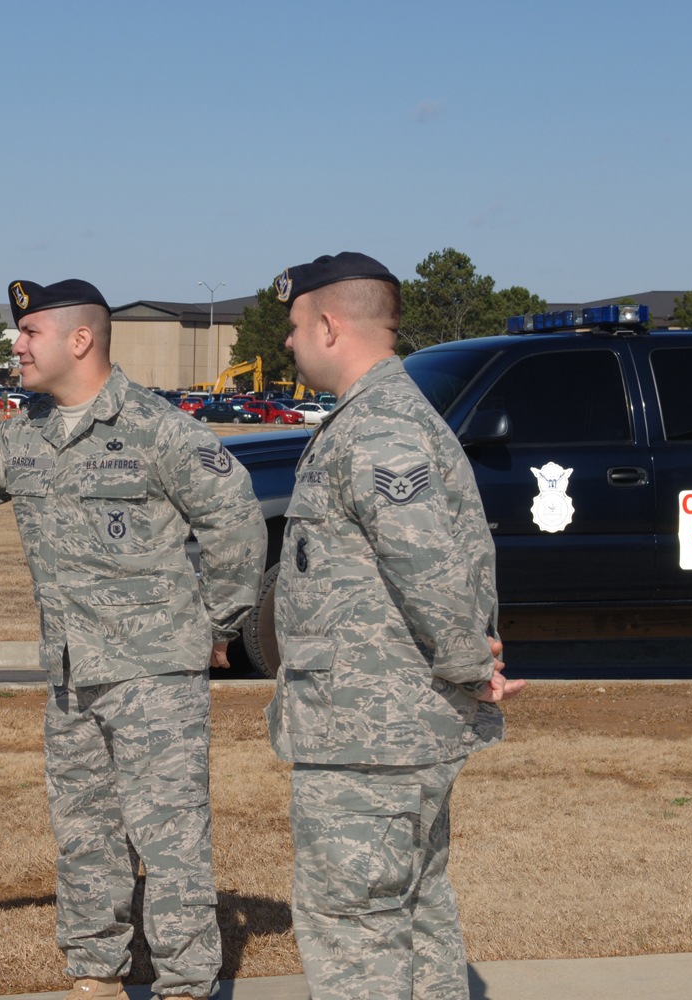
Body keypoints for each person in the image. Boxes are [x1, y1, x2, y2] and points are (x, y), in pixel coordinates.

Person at [0, 279, 265, 1000]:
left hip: (152, 674)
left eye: (30, 332)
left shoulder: (156, 427)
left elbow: (235, 517)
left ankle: (187, 985)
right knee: (85, 833)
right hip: (71, 672)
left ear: (80, 340)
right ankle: (96, 974)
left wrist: (218, 625)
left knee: (170, 843)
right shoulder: (26, 432)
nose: (16, 345)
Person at [264, 252, 527, 1000]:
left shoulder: (378, 426)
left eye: (292, 327)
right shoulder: (384, 416)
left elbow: (428, 567)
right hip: (387, 727)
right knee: (413, 913)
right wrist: (469, 661)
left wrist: (471, 662)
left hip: (371, 732)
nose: (288, 343)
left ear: (327, 323)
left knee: (355, 925)